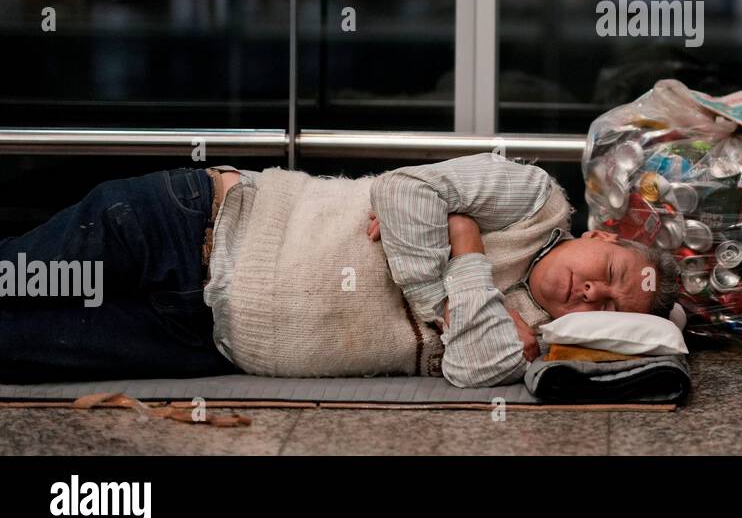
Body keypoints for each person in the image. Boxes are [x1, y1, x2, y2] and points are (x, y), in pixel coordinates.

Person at [0, 155, 680, 387]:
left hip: (197, 340)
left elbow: (472, 368)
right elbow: (408, 191)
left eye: (609, 306)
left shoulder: (530, 342)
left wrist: (464, 250)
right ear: (599, 233)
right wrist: (451, 307)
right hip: (188, 227)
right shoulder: (534, 200)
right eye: (610, 269)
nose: (593, 290)